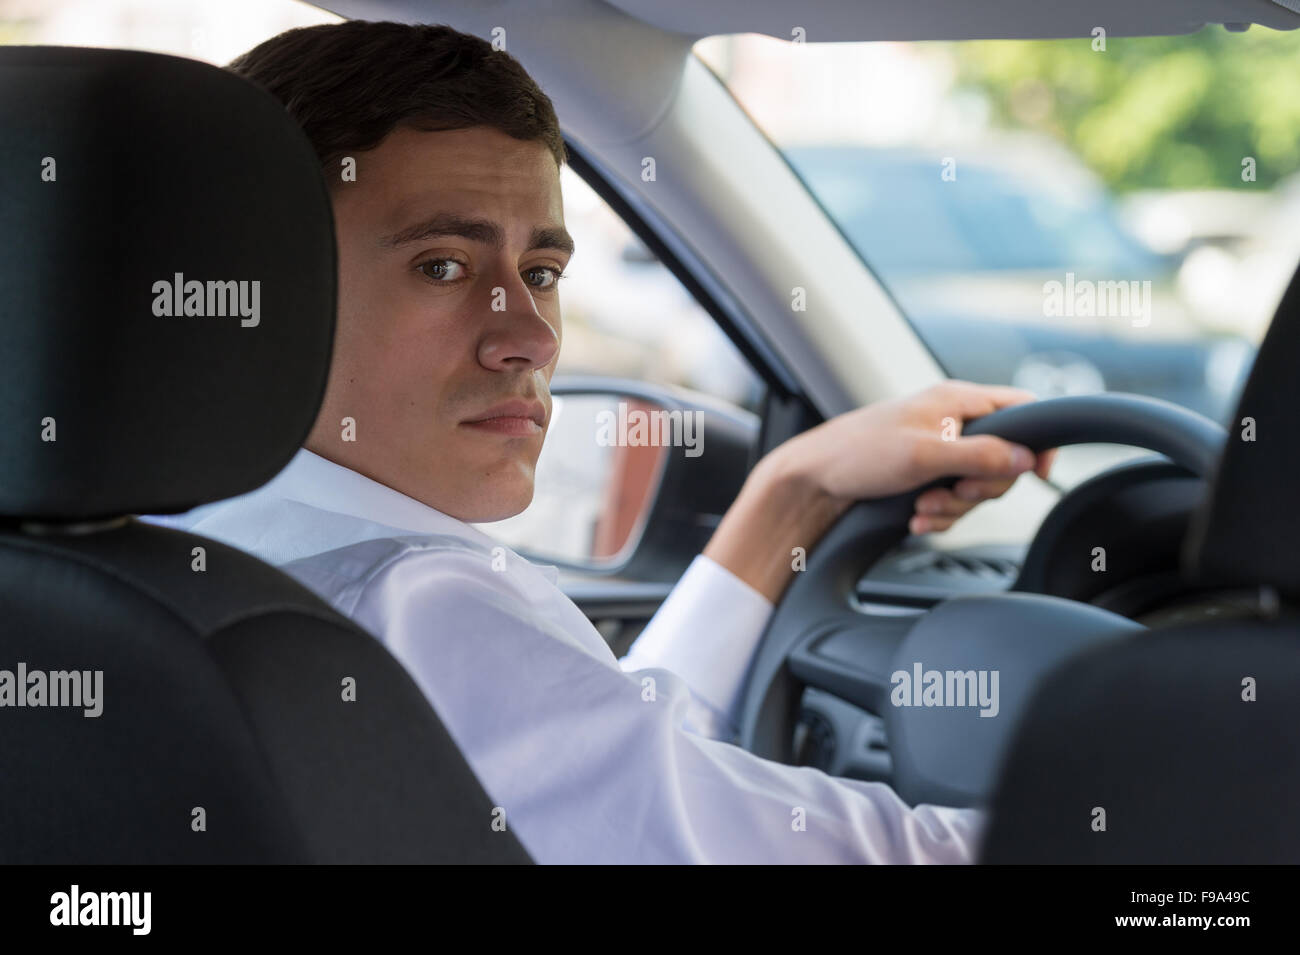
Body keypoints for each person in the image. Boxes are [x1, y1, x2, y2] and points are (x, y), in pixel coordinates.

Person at [149, 20, 1055, 863]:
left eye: (541, 272)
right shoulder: (415, 600)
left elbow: (611, 776)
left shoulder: (173, 547)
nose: (530, 336)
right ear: (266, 290)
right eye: (443, 266)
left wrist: (796, 489)